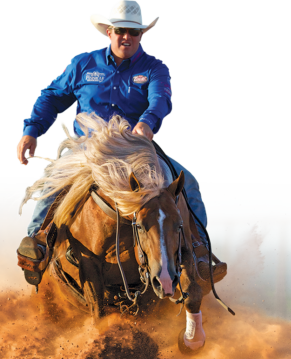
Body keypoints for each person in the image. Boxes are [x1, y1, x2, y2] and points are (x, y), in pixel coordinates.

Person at [15, 0, 227, 287]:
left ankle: (200, 251)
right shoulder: (82, 63)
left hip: (136, 148)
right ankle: (38, 242)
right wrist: (31, 130)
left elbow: (160, 100)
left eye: (133, 32)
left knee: (187, 182)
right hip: (89, 146)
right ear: (108, 31)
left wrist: (147, 123)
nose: (126, 36)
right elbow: (52, 96)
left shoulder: (155, 68)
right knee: (56, 176)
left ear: (141, 35)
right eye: (120, 30)